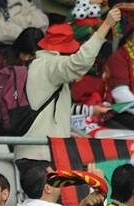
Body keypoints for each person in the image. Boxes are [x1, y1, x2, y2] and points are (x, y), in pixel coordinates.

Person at [14, 12, 119, 157]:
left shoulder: (40, 66)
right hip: (41, 156)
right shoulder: (51, 65)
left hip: (37, 152)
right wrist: (106, 25)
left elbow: (55, 112)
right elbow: (81, 61)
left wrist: (67, 133)